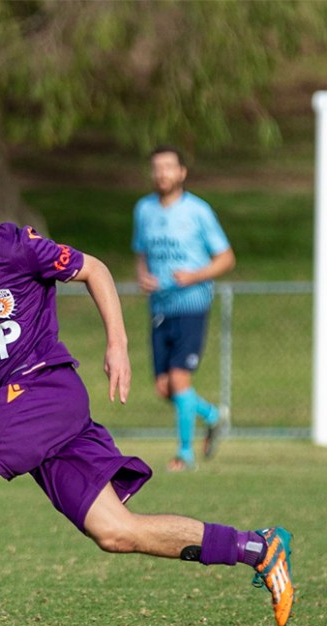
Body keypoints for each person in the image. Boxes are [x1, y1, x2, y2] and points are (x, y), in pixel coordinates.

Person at [0, 159, 294, 626]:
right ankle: (258, 547)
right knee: (116, 531)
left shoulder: (14, 247)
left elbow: (95, 270)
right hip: (31, 403)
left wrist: (117, 344)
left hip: (44, 386)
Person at [132, 145, 235, 471]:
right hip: (159, 307)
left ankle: (185, 455)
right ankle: (212, 415)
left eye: (169, 167)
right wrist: (143, 276)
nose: (162, 173)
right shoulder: (144, 210)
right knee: (165, 388)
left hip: (192, 305)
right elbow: (140, 252)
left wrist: (194, 276)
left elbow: (226, 259)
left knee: (179, 380)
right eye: (157, 168)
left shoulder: (198, 212)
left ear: (182, 173)